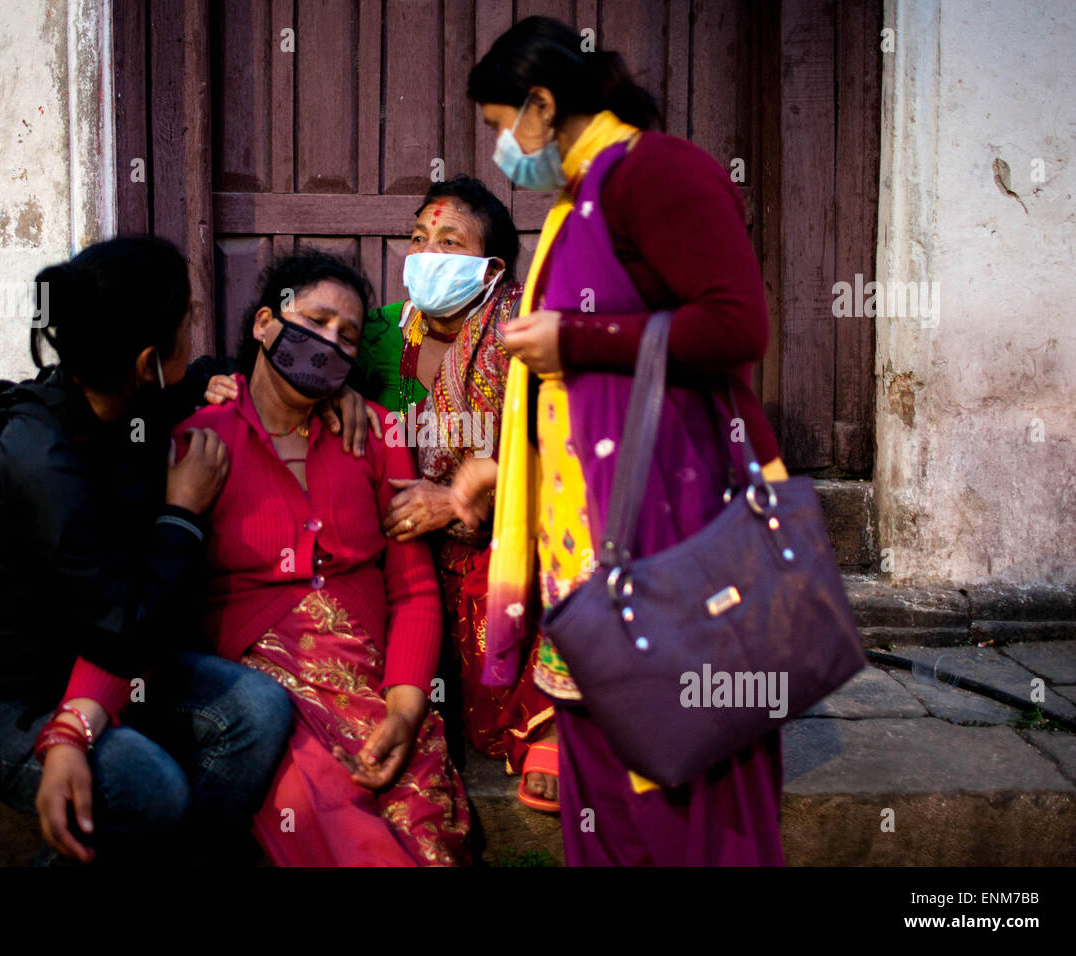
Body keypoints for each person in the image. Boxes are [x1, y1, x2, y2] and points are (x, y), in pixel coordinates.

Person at [453, 16, 789, 865]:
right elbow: (582, 398)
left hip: (670, 533)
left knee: (687, 791)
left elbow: (736, 323)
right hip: (591, 546)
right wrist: (505, 467)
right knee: (602, 786)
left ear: (540, 103)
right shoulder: (581, 201)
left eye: (501, 128)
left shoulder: (659, 173)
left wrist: (575, 340)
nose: (502, 150)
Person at [0, 237, 292, 865]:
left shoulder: (130, 397)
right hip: (15, 698)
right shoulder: (43, 461)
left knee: (259, 711)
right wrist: (182, 515)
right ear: (145, 360)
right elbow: (125, 628)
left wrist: (332, 391)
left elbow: (212, 370)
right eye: (186, 320)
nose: (196, 332)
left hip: (110, 665)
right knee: (150, 787)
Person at [171, 251, 471, 866]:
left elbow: (412, 591)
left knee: (423, 825)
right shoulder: (199, 441)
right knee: (336, 823)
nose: (329, 341)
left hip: (374, 686)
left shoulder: (377, 435)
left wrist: (407, 706)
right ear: (263, 324)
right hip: (267, 693)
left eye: (348, 335)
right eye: (315, 319)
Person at [350, 176, 560, 812]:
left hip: (511, 538)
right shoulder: (382, 334)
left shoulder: (529, 334)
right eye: (419, 240)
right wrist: (226, 384)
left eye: (449, 242)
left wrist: (479, 491)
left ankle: (550, 723)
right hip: (405, 545)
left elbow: (580, 454)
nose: (427, 254)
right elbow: (299, 368)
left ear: (491, 267)